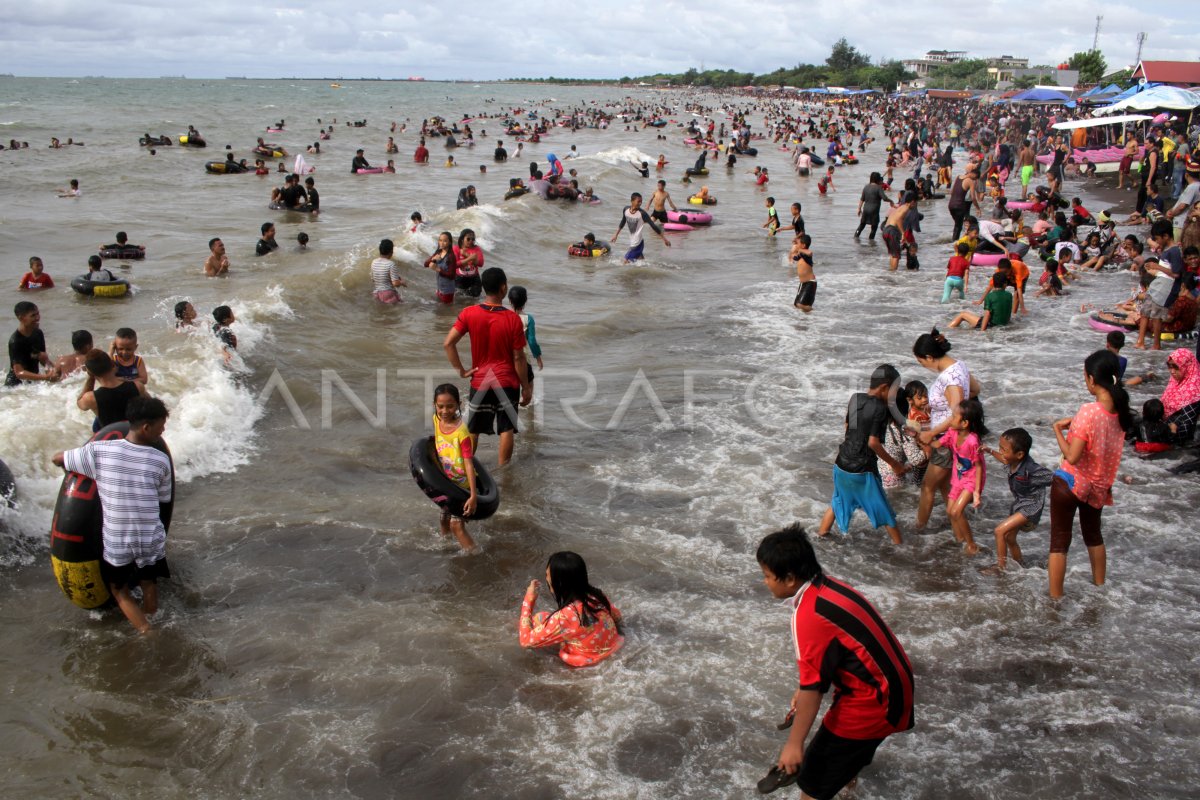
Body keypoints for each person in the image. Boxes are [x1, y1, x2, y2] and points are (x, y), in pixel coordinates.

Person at [755, 524, 913, 799]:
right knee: (844, 758)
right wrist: (804, 687)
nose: (765, 582)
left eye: (767, 576)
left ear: (790, 578)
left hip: (874, 703)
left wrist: (794, 744)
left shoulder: (807, 615)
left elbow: (813, 690)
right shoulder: (829, 587)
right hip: (895, 687)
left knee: (812, 783)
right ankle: (846, 784)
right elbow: (839, 653)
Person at [52, 396, 173, 634]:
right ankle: (153, 618)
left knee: (118, 589)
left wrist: (71, 467)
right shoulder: (161, 460)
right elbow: (163, 501)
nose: (164, 430)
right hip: (151, 535)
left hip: (119, 538)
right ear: (147, 428)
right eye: (162, 426)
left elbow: (58, 459)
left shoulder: (99, 452)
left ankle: (146, 632)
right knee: (149, 581)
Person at [1048, 350, 1132, 598]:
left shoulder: (1088, 410)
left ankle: (1055, 600)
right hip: (1098, 486)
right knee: (1094, 537)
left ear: (1092, 380)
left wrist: (1057, 431)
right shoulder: (1120, 413)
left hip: (1070, 483)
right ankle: (1099, 588)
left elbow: (1072, 457)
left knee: (1059, 543)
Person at [443, 267, 532, 466]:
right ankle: (503, 474)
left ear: (484, 288)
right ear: (503, 288)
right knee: (506, 429)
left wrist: (462, 371)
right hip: (507, 381)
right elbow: (518, 358)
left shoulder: (469, 313)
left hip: (480, 380)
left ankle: (466, 470)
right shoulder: (513, 320)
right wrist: (525, 387)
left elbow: (448, 343)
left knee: (473, 430)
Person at [816, 364, 908, 544]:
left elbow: (847, 428)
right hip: (862, 468)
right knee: (884, 511)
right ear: (885, 388)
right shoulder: (880, 408)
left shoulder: (855, 398)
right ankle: (901, 548)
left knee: (838, 502)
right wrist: (895, 465)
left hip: (842, 462)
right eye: (894, 391)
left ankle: (821, 536)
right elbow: (873, 443)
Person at [913, 328, 980, 530]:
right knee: (946, 488)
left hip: (946, 439)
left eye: (921, 362)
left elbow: (955, 415)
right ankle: (960, 535)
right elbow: (976, 390)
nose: (923, 366)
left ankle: (918, 531)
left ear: (929, 357)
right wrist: (937, 405)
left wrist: (931, 433)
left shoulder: (949, 378)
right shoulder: (960, 366)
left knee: (928, 486)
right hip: (954, 438)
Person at [519, 551, 623, 667]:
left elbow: (525, 641)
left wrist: (529, 599)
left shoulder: (564, 617)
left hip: (586, 663)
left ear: (559, 582)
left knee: (539, 618)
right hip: (615, 647)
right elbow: (617, 617)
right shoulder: (596, 596)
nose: (547, 579)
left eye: (547, 575)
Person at [981, 427, 1053, 573]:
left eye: (1004, 450)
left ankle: (1000, 568)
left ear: (1019, 454)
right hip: (1020, 504)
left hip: (1031, 507)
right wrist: (989, 450)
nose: (1001, 452)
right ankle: (1020, 565)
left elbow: (1053, 478)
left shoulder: (1031, 470)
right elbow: (1003, 459)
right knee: (1009, 538)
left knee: (999, 531)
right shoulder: (1011, 460)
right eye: (999, 447)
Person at [430, 383, 479, 552]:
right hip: (447, 481)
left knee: (457, 526)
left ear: (458, 405)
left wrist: (473, 496)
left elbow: (468, 462)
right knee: (444, 519)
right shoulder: (436, 419)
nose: (445, 411)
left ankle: (475, 556)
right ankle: (447, 548)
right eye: (440, 406)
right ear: (435, 405)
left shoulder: (462, 433)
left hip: (462, 486)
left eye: (450, 406)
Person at [938, 398, 988, 555]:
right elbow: (936, 444)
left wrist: (977, 493)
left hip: (972, 479)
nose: (950, 419)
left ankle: (972, 545)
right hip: (959, 477)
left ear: (965, 423)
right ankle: (960, 541)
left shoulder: (973, 441)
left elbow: (979, 466)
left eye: (954, 417)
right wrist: (919, 437)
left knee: (956, 512)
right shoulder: (952, 433)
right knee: (949, 511)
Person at [77, 349, 145, 431]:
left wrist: (91, 377)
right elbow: (151, 407)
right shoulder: (137, 386)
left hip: (111, 439)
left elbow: (80, 404)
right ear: (112, 364)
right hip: (134, 436)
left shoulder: (90, 398)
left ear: (90, 372)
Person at [6, 301, 58, 386]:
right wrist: (45, 377)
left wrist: (54, 372)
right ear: (21, 318)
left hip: (32, 384)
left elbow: (43, 359)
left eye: (38, 314)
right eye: (33, 315)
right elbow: (19, 372)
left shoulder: (38, 333)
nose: (37, 318)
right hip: (16, 387)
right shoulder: (15, 341)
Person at [611, 192, 670, 263]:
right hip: (634, 241)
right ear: (632, 201)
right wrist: (616, 235)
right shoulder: (626, 210)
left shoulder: (642, 214)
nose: (640, 203)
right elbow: (623, 222)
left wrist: (664, 239)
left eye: (641, 202)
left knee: (625, 262)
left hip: (637, 243)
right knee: (642, 262)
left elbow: (653, 226)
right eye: (638, 201)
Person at [507, 285, 543, 395]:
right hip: (523, 358)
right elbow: (531, 341)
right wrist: (538, 358)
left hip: (505, 358)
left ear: (509, 300)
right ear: (525, 301)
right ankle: (528, 408)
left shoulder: (504, 316)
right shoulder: (528, 319)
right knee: (529, 386)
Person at [1161, 349, 1200, 444]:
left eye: (1176, 367)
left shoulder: (1194, 391)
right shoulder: (1175, 382)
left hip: (1177, 440)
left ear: (1187, 366)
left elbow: (1186, 425)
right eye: (1170, 367)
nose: (1172, 371)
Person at [855, 172, 892, 240]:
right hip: (874, 211)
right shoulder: (878, 188)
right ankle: (871, 243)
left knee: (861, 225)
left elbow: (862, 199)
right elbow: (884, 198)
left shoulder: (866, 187)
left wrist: (859, 208)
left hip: (865, 210)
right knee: (874, 228)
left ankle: (855, 237)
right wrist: (891, 201)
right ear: (878, 179)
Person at [425, 231, 458, 304]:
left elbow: (452, 275)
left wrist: (437, 269)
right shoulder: (438, 252)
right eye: (440, 240)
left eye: (445, 241)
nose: (442, 243)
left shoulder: (451, 256)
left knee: (447, 311)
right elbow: (425, 264)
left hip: (448, 291)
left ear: (449, 242)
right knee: (439, 311)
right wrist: (433, 259)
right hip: (439, 289)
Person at [370, 238, 406, 304]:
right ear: (391, 251)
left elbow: (373, 279)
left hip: (377, 293)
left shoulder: (374, 262)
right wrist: (402, 282)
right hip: (388, 294)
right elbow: (395, 283)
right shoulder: (391, 264)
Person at [453, 229, 484, 298]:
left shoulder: (476, 249)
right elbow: (454, 265)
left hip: (474, 279)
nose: (471, 241)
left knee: (474, 299)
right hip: (459, 279)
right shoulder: (456, 249)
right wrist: (470, 258)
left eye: (473, 239)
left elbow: (481, 263)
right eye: (468, 239)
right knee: (459, 300)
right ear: (462, 239)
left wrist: (466, 255)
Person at [791, 234, 817, 313]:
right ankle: (805, 321)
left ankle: (816, 312)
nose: (797, 245)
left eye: (798, 243)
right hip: (803, 284)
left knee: (800, 305)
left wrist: (799, 249)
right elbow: (794, 257)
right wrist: (794, 248)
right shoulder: (802, 254)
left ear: (803, 245)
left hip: (810, 283)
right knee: (796, 304)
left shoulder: (807, 255)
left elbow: (810, 252)